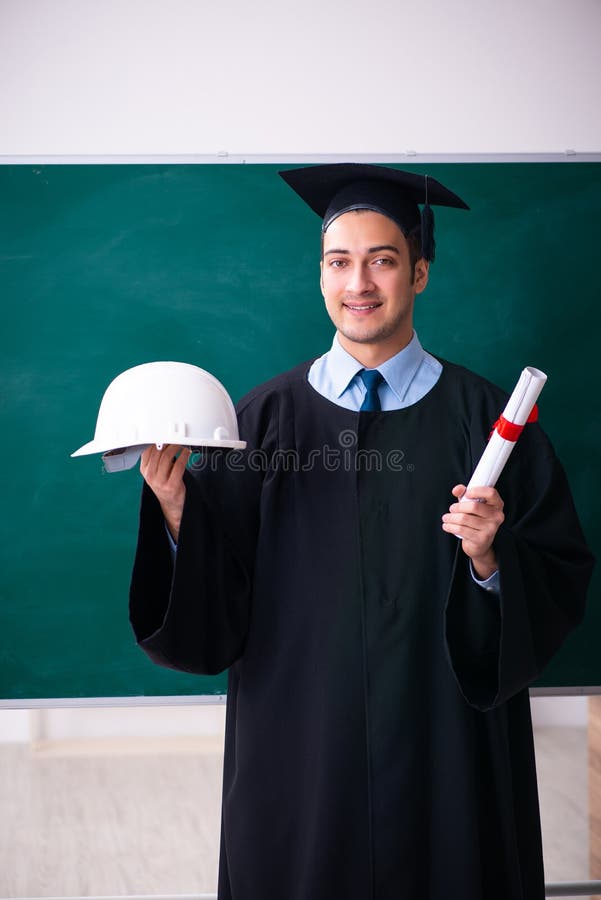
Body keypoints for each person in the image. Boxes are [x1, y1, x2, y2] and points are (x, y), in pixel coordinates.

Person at [129, 164, 594, 900]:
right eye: (338, 262)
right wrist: (177, 510)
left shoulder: (486, 420)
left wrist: (486, 559)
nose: (359, 283)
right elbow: (213, 611)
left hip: (444, 745)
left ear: (418, 272)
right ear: (320, 276)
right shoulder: (257, 423)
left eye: (380, 259)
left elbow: (558, 571)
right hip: (302, 745)